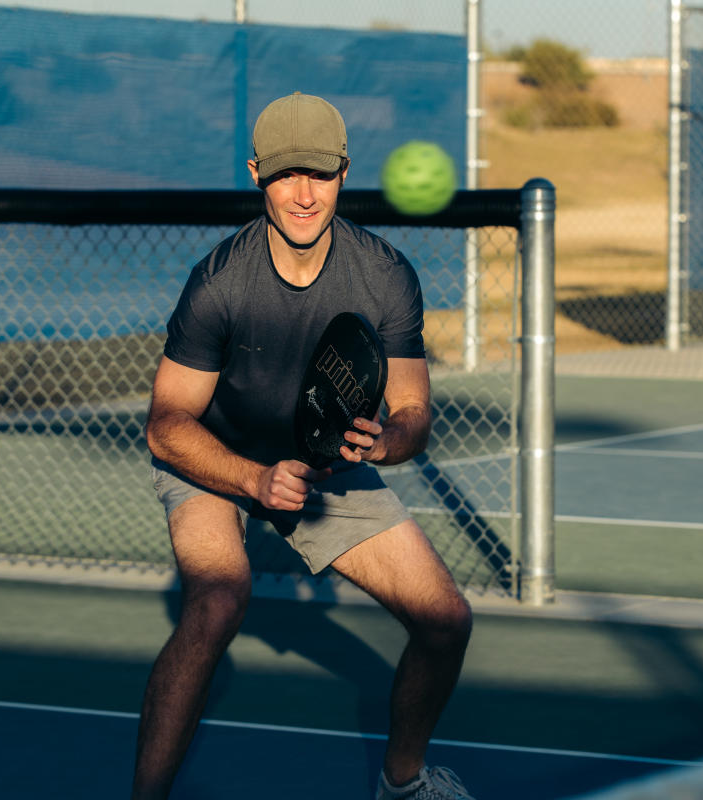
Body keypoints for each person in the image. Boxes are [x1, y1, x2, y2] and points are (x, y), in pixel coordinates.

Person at [131, 92, 476, 800]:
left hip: (323, 467)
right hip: (216, 459)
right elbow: (166, 424)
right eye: (286, 174)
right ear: (257, 173)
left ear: (344, 171)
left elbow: (413, 412)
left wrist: (384, 442)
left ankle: (403, 785)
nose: (303, 194)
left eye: (318, 174)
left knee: (445, 622)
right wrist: (253, 481)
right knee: (218, 601)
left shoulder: (383, 275)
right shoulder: (219, 283)